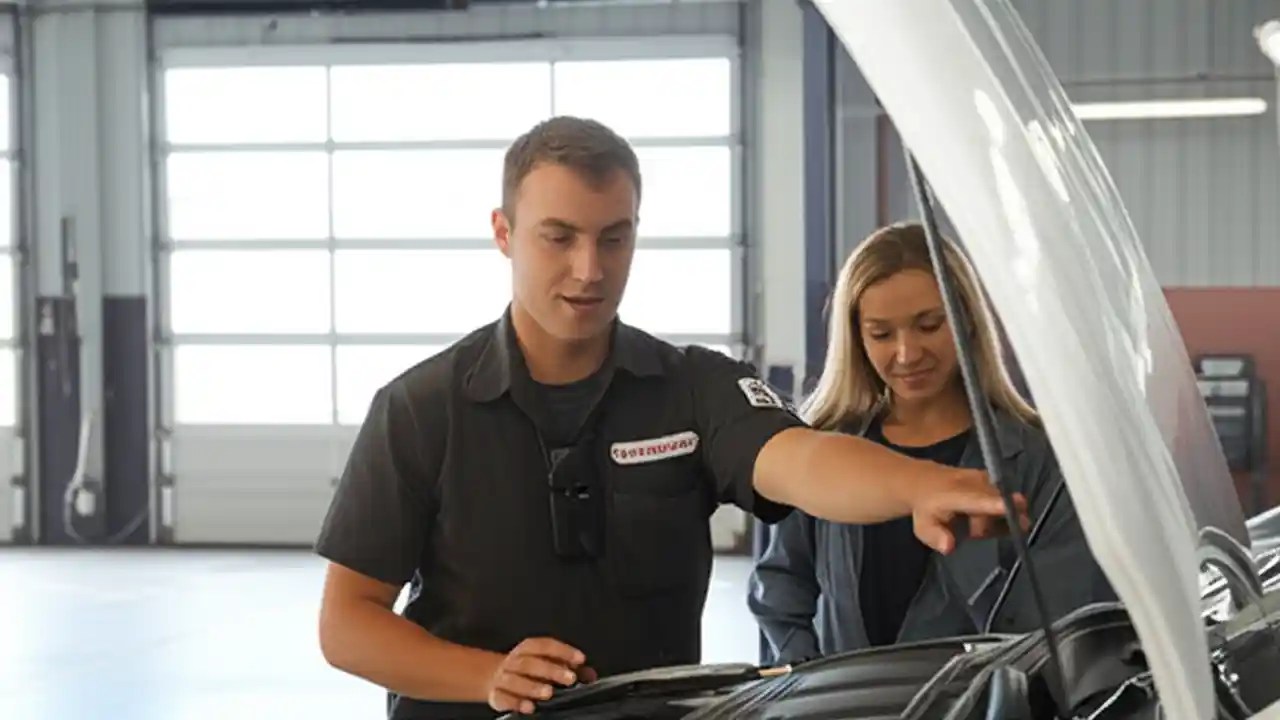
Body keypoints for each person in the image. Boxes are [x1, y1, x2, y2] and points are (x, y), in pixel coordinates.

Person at [313, 117, 1027, 720]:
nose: (591, 269)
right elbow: (348, 624)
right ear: (504, 232)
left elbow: (802, 458)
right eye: (558, 237)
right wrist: (485, 676)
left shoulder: (691, 388)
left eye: (614, 237)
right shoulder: (420, 409)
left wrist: (917, 485)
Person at [748, 222, 1113, 666]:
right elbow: (782, 587)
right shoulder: (822, 451)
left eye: (928, 325)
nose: (907, 353)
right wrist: (809, 685)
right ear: (857, 340)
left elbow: (1063, 623)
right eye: (882, 334)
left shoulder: (1041, 461)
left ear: (967, 321)